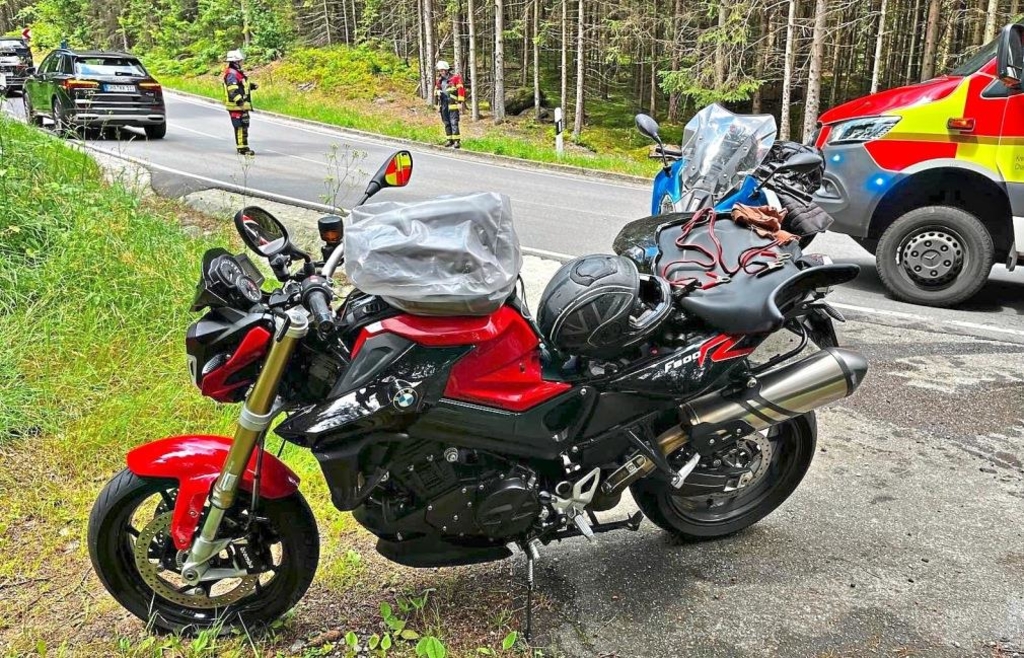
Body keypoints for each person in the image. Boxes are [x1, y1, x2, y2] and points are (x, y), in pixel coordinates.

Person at [223, 49, 258, 156]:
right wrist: (240, 102)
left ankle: (244, 146)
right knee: (240, 126)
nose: (242, 62)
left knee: (244, 125)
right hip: (237, 106)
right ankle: (242, 148)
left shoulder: (237, 73)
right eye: (241, 60)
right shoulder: (232, 74)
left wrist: (251, 86)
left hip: (241, 106)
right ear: (236, 61)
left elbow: (241, 85)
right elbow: (232, 89)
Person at [433, 61, 465, 149]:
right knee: (446, 122)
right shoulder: (439, 80)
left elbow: (461, 90)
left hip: (453, 103)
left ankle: (456, 141)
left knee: (454, 122)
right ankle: (449, 140)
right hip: (443, 104)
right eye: (440, 71)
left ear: (447, 70)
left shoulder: (455, 78)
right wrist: (437, 92)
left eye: (443, 70)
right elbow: (436, 90)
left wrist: (460, 103)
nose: (441, 72)